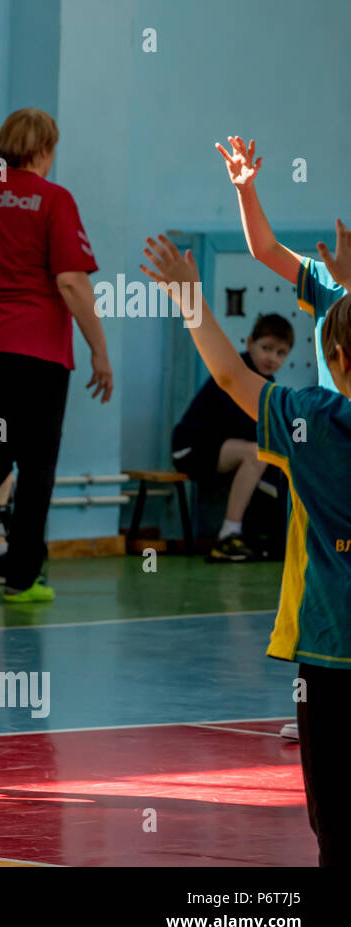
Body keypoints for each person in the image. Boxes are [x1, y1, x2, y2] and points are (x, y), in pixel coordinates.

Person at [142, 234, 351, 867]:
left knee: (335, 822)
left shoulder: (311, 420)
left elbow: (232, 375)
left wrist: (186, 293)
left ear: (334, 357)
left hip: (330, 649)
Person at [0, 108, 113, 602]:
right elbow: (72, 282)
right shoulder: (53, 199)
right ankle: (22, 578)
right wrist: (100, 350)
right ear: (45, 150)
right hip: (38, 352)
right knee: (36, 464)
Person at [216, 136, 350, 740]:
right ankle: (314, 687)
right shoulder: (327, 283)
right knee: (315, 567)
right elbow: (265, 247)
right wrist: (246, 190)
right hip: (323, 446)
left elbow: (227, 373)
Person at [171, 313, 292, 561]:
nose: (272, 358)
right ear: (250, 344)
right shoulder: (239, 373)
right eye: (266, 348)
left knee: (276, 461)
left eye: (280, 353)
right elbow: (245, 428)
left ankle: (273, 535)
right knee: (257, 454)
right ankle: (228, 535)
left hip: (222, 448)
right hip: (189, 449)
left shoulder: (267, 382)